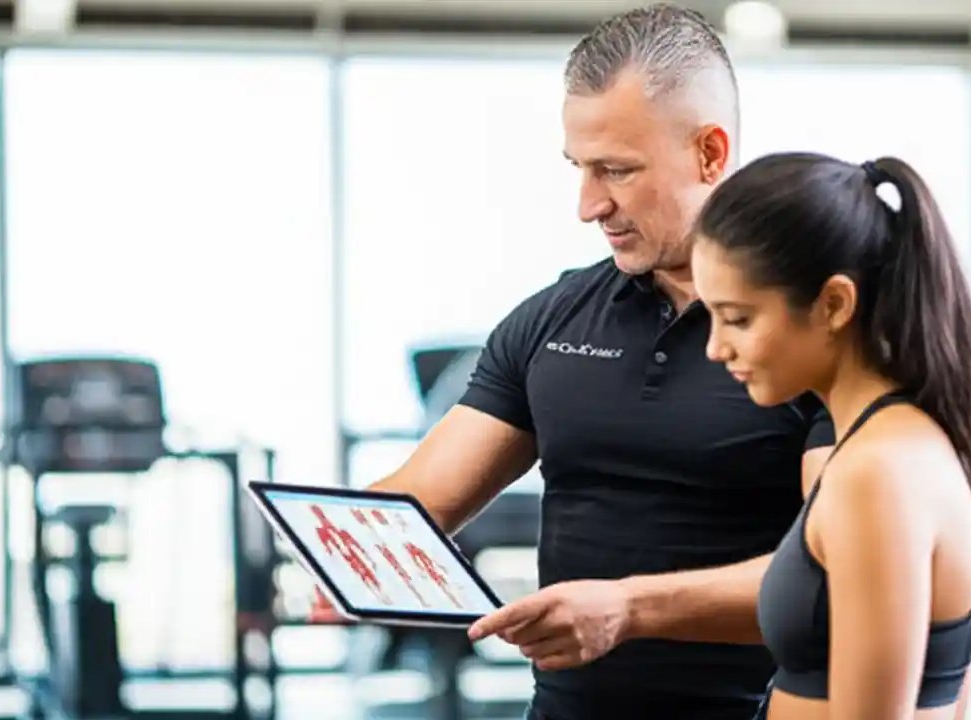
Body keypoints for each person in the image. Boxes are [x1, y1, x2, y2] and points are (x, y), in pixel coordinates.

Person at [327, 4, 836, 718]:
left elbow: (838, 577)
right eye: (579, 167)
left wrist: (629, 609)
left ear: (710, 154)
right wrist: (324, 540)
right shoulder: (553, 319)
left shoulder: (814, 336)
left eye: (616, 171)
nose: (588, 204)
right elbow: (419, 500)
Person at [474, 152, 971, 719]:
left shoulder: (876, 473)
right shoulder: (909, 447)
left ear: (833, 305)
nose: (715, 347)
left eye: (739, 319)